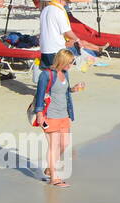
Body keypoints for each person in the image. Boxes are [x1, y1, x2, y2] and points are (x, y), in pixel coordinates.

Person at [32, 48, 84, 188]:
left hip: (64, 114)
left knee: (64, 144)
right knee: (53, 145)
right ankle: (54, 178)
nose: (71, 65)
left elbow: (64, 91)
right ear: (62, 61)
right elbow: (40, 94)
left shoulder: (65, 73)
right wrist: (39, 114)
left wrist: (73, 89)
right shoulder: (46, 75)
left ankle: (50, 168)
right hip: (50, 115)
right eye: (70, 62)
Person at [39, 0, 79, 68]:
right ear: (61, 0)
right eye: (66, 2)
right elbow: (67, 31)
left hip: (44, 47)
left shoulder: (45, 9)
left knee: (47, 73)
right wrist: (78, 40)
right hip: (56, 48)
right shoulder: (58, 11)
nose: (66, 4)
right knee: (60, 73)